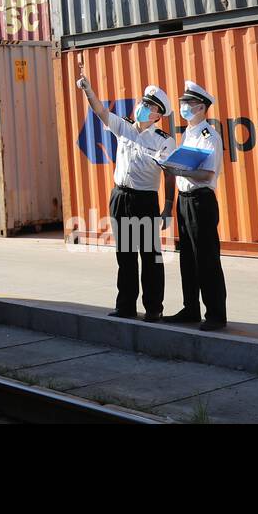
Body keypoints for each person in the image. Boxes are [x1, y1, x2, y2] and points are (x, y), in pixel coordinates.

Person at [75, 64, 174, 322]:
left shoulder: (163, 140)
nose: (141, 106)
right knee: (126, 256)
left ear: (157, 115)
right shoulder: (126, 127)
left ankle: (154, 308)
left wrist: (168, 206)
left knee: (150, 257)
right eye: (142, 101)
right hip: (121, 197)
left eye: (148, 105)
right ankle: (126, 306)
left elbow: (170, 174)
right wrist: (88, 89)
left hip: (145, 200)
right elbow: (101, 112)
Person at [164, 80, 227, 331]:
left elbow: (207, 174)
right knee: (188, 258)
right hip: (185, 200)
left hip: (201, 200)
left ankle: (215, 314)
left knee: (207, 259)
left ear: (201, 107)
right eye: (182, 103)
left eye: (188, 103)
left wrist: (180, 169)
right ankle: (190, 308)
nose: (183, 107)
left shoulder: (208, 135)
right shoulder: (188, 133)